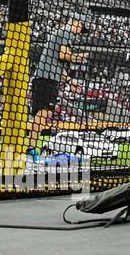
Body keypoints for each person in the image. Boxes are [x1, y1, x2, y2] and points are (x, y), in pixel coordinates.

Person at [28, 15, 89, 156]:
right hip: (47, 80)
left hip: (44, 78)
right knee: (44, 113)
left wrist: (69, 81)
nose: (79, 33)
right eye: (80, 29)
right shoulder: (67, 31)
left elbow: (57, 65)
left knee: (41, 114)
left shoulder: (59, 32)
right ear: (77, 23)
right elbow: (63, 55)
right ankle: (30, 148)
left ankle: (29, 147)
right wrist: (81, 56)